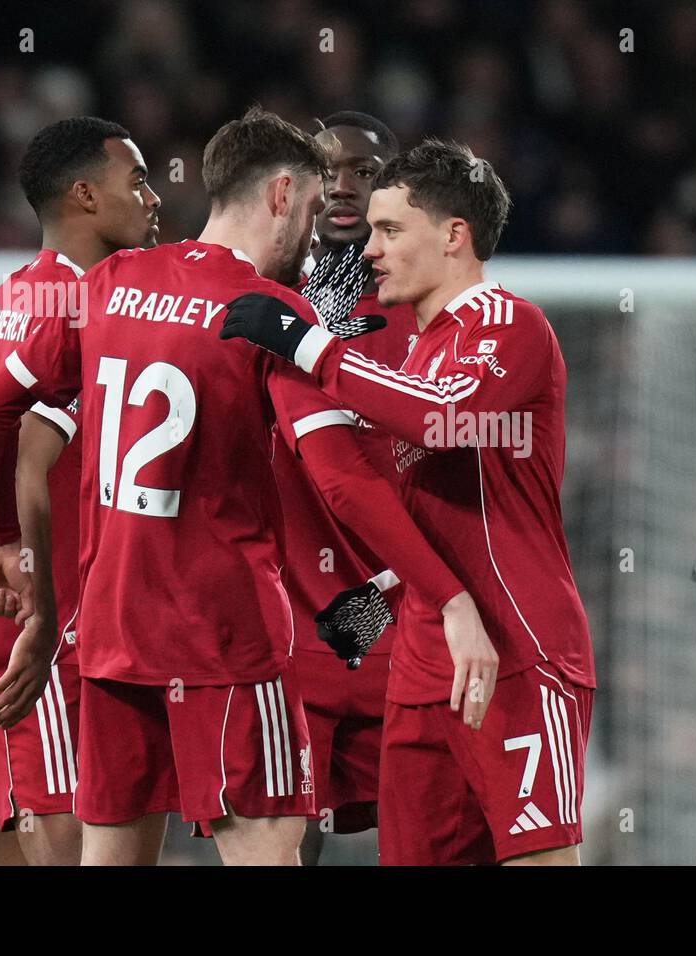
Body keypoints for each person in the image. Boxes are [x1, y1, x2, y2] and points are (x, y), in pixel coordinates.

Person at [0, 109, 488, 866]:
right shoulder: (270, 314)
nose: (316, 237)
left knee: (110, 855)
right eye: (312, 209)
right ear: (281, 196)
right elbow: (339, 478)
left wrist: (3, 541)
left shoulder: (111, 282)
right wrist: (444, 592)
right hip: (228, 636)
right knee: (272, 846)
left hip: (114, 634)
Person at [220, 139, 596, 866]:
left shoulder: (509, 326)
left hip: (519, 647)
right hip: (427, 661)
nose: (369, 252)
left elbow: (440, 418)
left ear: (455, 235)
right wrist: (390, 593)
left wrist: (311, 347)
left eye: (391, 231)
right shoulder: (420, 353)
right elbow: (422, 509)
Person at [0, 116, 160, 865]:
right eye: (138, 181)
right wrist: (18, 557)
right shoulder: (90, 313)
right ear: (86, 197)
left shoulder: (6, 300)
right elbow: (25, 454)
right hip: (32, 633)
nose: (154, 198)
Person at [278, 110, 413, 864]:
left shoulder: (426, 310)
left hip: (394, 615)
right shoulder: (265, 301)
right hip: (287, 625)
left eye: (364, 171)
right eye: (327, 169)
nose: (342, 185)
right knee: (287, 839)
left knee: (424, 832)